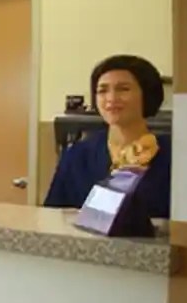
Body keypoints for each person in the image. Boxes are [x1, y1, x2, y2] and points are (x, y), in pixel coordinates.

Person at [44, 55, 171, 218]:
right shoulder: (77, 155)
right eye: (102, 90)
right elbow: (52, 216)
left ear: (147, 94)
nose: (111, 99)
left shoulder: (173, 158)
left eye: (123, 89)